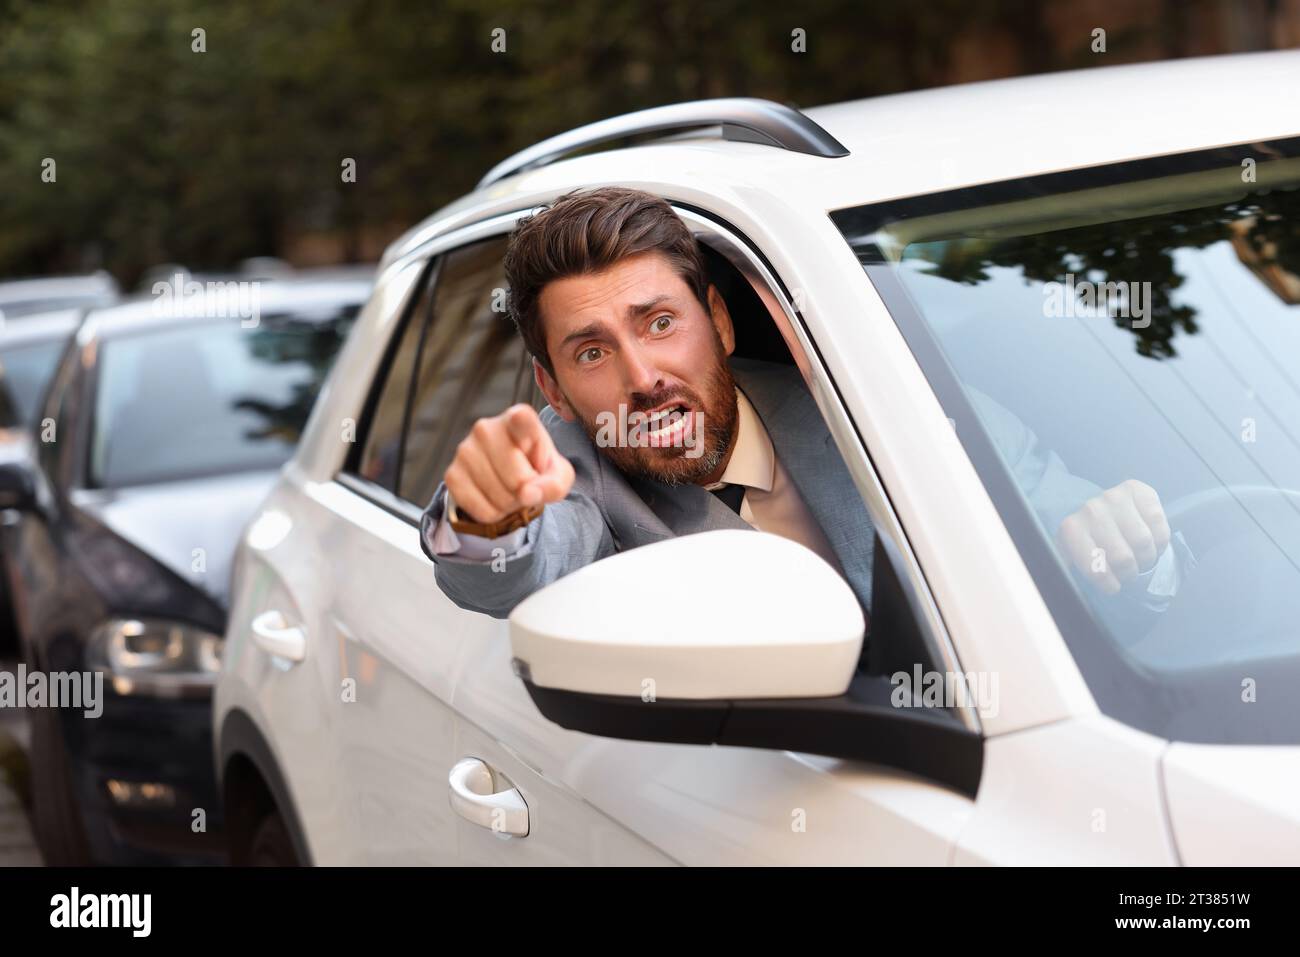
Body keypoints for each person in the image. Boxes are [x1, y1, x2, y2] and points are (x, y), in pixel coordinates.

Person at [420, 187, 1179, 622]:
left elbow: (1066, 524)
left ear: (717, 321)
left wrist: (1125, 539)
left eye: (659, 322)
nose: (642, 375)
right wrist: (487, 519)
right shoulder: (571, 469)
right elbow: (522, 562)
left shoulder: (884, 395)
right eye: (591, 351)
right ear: (552, 388)